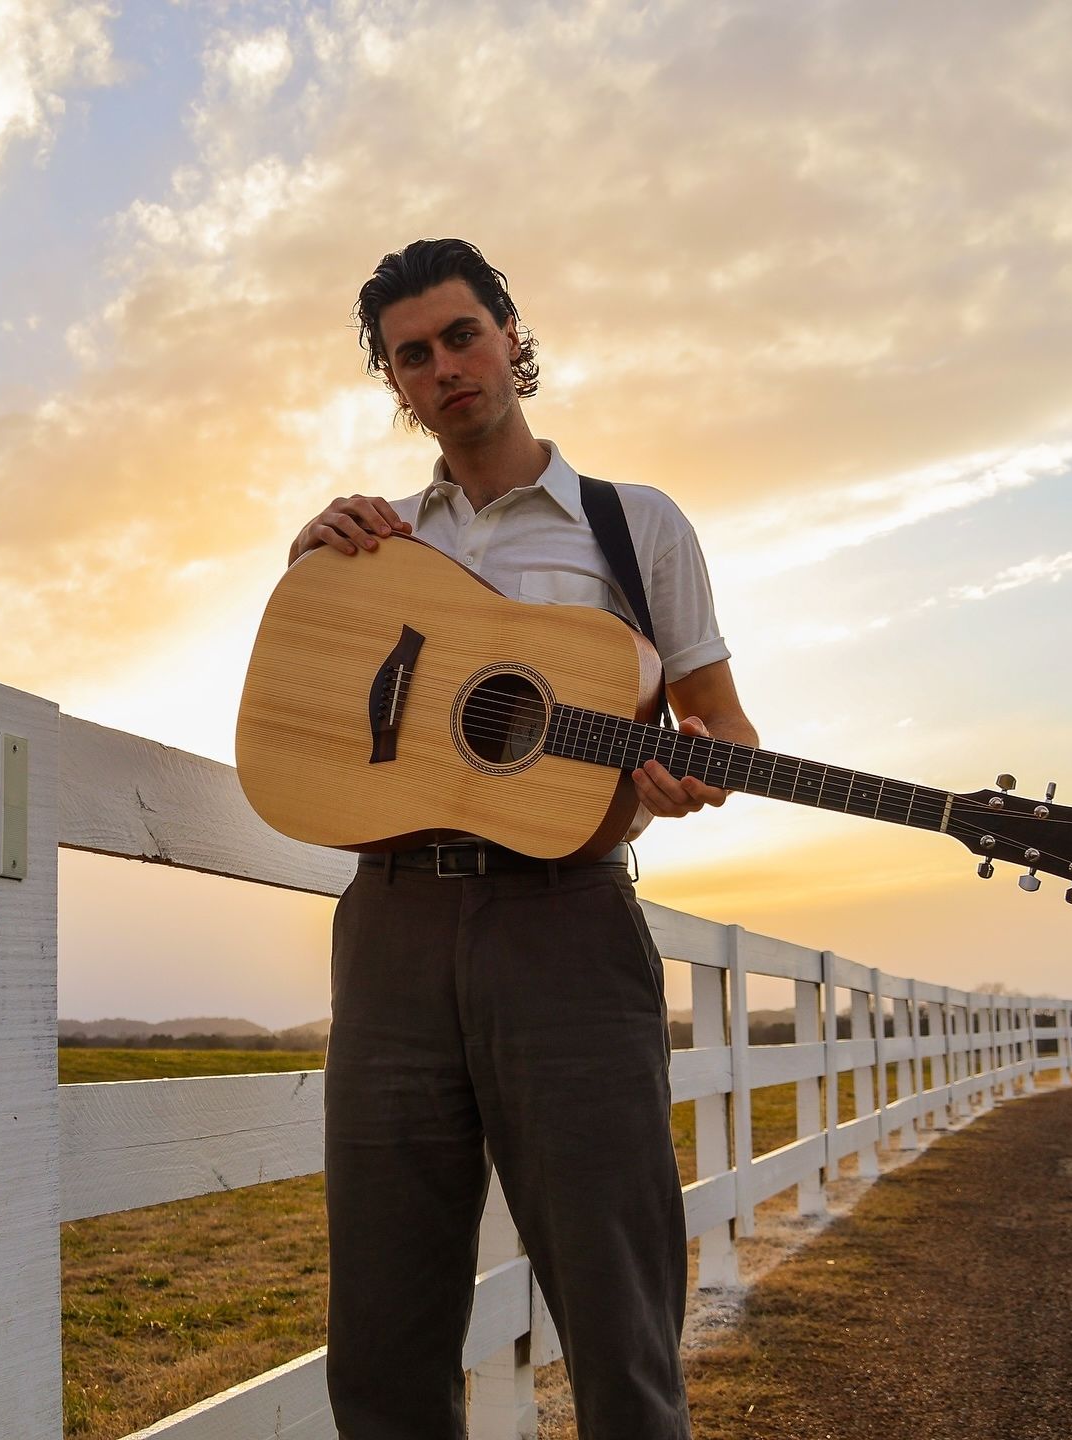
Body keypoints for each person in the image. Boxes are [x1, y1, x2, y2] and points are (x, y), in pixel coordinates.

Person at [288, 239, 759, 1440]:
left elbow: (726, 728)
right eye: (414, 355)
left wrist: (675, 773)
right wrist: (305, 561)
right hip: (391, 932)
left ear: (509, 336)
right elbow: (312, 711)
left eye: (461, 335)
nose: (446, 367)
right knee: (385, 1329)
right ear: (396, 385)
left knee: (619, 1313)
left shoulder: (634, 525)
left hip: (567, 927)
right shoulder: (380, 542)